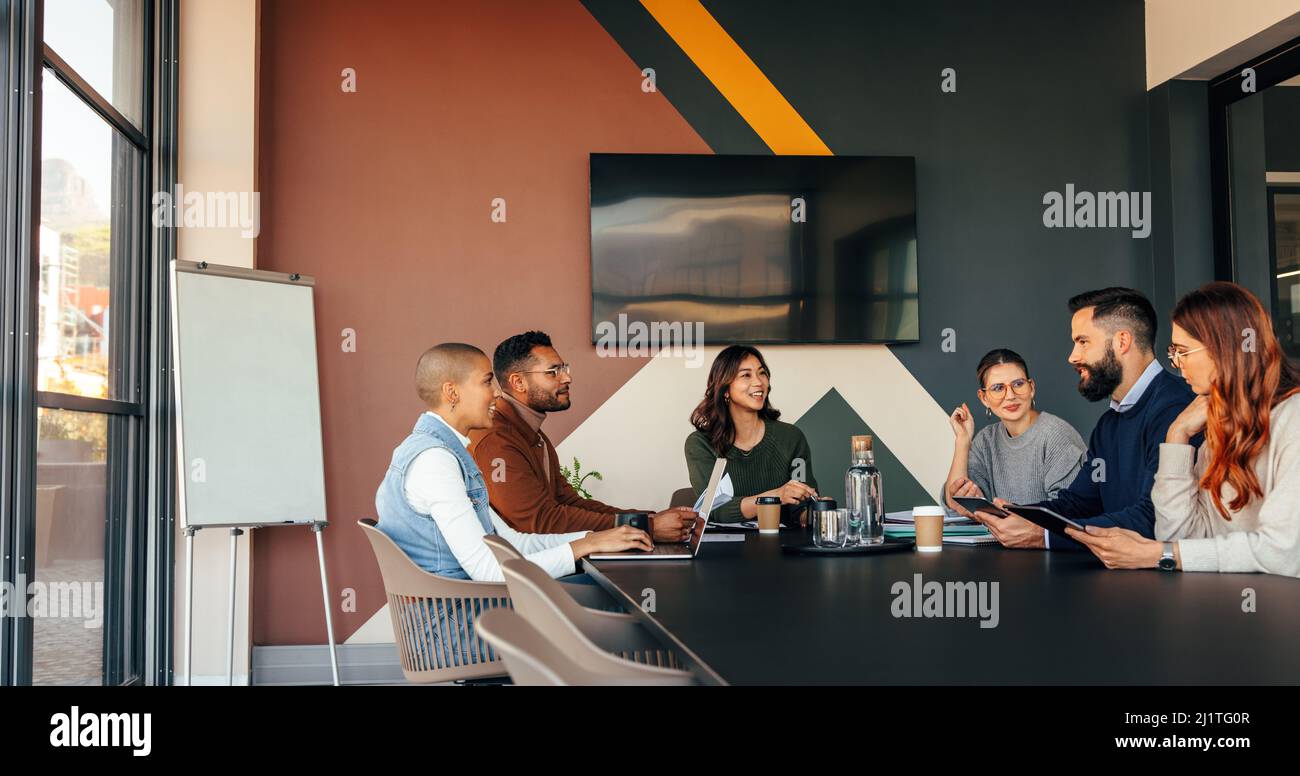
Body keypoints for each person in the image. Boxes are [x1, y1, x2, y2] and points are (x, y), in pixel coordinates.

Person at [1065, 282, 1300, 577]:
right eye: (1174, 351)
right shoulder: (1213, 429)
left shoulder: (1293, 419)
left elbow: (1284, 552)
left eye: (1183, 351)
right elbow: (1178, 534)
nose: (1177, 364)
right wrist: (1177, 436)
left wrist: (1160, 554)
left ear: (1222, 349)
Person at [375, 342, 652, 584]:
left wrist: (592, 539)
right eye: (486, 382)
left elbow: (512, 542)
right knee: (621, 607)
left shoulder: (447, 452)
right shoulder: (435, 461)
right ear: (452, 393)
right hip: (462, 621)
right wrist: (583, 546)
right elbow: (488, 570)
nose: (497, 393)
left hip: (477, 608)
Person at [972, 287, 1196, 550]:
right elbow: (1077, 503)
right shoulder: (1108, 425)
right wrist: (1017, 513)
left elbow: (1153, 519)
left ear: (1122, 342)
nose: (1073, 356)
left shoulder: (1177, 409)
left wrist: (1043, 537)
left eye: (1083, 342)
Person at [470, 331, 697, 543]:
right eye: (553, 372)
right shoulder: (497, 440)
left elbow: (567, 501)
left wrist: (648, 518)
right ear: (518, 382)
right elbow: (539, 521)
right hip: (522, 577)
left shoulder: (533, 435)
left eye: (564, 368)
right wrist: (645, 526)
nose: (567, 378)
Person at [945, 348, 1086, 517]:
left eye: (1018, 384)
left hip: (1053, 542)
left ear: (1031, 387)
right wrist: (963, 441)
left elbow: (1068, 513)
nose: (1010, 395)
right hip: (1002, 542)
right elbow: (956, 505)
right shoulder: (985, 440)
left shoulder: (1057, 436)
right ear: (984, 398)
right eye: (998, 388)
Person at [685, 345, 818, 523]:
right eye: (746, 375)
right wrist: (777, 495)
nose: (759, 382)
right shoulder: (700, 444)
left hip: (781, 546)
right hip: (724, 549)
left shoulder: (791, 438)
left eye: (762, 373)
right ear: (725, 390)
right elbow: (714, 510)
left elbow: (800, 509)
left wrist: (816, 513)